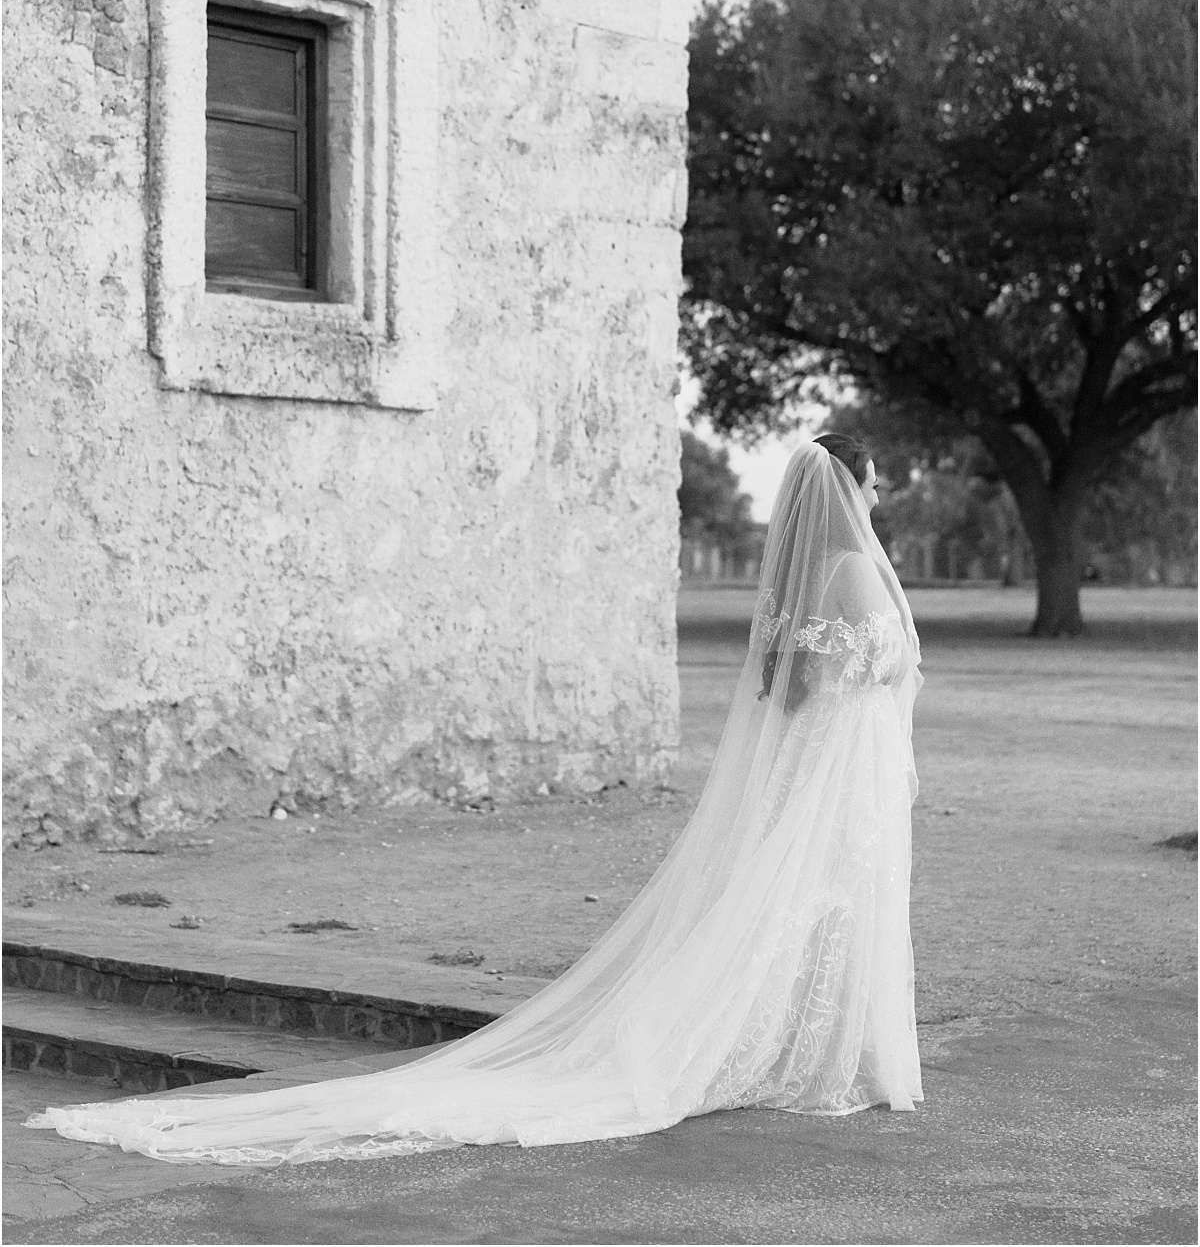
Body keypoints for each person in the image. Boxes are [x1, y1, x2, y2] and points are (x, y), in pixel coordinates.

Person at [28, 436, 923, 1165]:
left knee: (818, 902)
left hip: (829, 766)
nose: (877, 499)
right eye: (875, 484)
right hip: (837, 765)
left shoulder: (812, 573)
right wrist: (874, 672)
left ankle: (831, 1050)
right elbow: (807, 684)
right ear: (852, 486)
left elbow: (788, 681)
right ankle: (826, 1057)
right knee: (827, 899)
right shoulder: (847, 567)